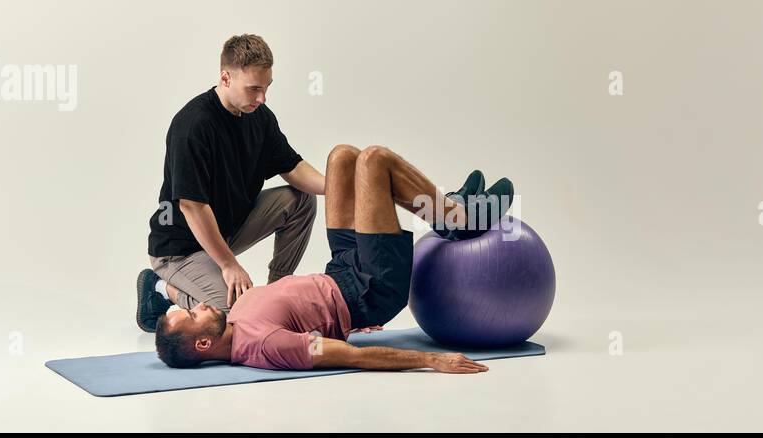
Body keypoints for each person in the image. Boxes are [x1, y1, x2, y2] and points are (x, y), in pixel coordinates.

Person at [154, 143, 513, 374]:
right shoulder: (265, 345)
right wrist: (433, 361)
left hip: (340, 270)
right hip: (371, 288)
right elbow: (350, 356)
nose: (199, 305)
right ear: (203, 344)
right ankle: (457, 219)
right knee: (375, 160)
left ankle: (444, 207)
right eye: (192, 314)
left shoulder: (232, 319)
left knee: (342, 158)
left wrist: (160, 286)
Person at [136, 34, 326, 333]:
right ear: (225, 78)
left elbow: (292, 167)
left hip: (225, 231)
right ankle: (161, 288)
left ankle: (276, 292)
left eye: (266, 88)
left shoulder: (259, 117)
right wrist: (229, 265)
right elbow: (192, 206)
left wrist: (335, 187)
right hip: (180, 248)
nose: (261, 98)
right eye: (253, 89)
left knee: (301, 198)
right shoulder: (193, 125)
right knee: (236, 320)